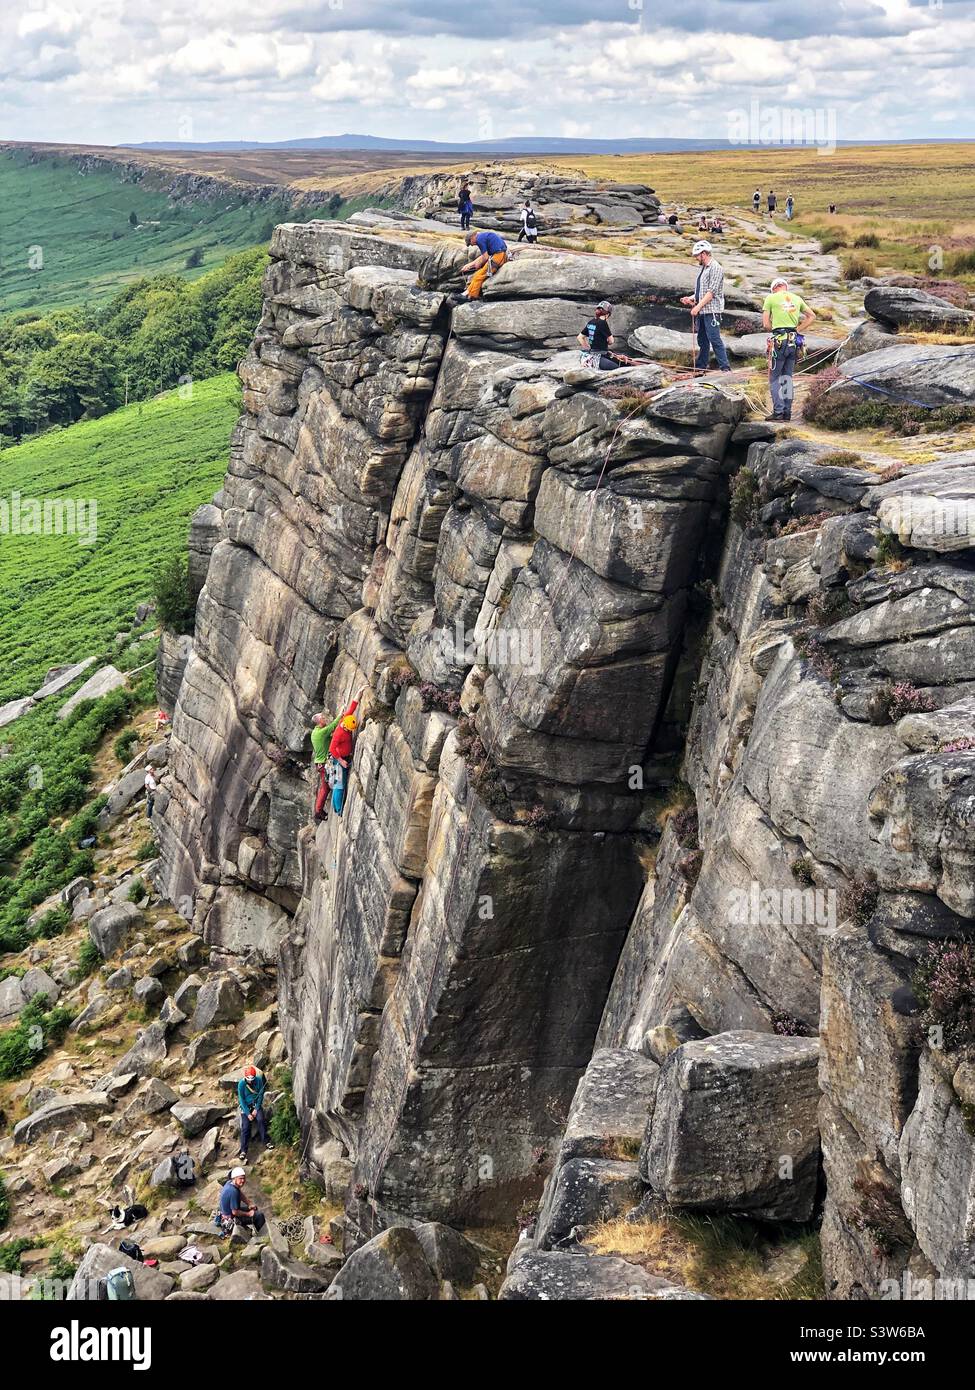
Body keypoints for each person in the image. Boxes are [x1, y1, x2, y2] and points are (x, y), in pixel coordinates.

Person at [762, 276, 816, 422]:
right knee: (787, 377)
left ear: (774, 289)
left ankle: (778, 412)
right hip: (794, 343)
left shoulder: (770, 298)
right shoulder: (796, 298)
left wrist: (775, 327)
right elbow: (811, 316)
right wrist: (797, 329)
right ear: (785, 287)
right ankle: (787, 413)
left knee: (774, 378)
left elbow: (766, 324)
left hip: (779, 343)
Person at [681, 240, 731, 373]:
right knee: (702, 340)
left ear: (704, 254)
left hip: (712, 311)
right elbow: (702, 290)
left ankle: (725, 368)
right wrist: (691, 298)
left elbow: (711, 292)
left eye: (697, 255)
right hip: (703, 311)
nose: (696, 258)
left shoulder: (716, 268)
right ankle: (701, 367)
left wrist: (697, 307)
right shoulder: (703, 268)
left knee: (714, 339)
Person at [310, 691, 360, 820]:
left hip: (325, 761)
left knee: (332, 785)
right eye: (323, 718)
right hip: (328, 762)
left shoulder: (315, 732)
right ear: (318, 721)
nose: (325, 718)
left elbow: (350, 711)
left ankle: (326, 808)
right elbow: (333, 729)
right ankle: (325, 810)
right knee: (332, 786)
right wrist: (340, 715)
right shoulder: (325, 733)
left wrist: (358, 695)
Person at [327, 704, 359, 816]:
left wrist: (358, 695)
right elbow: (331, 749)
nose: (351, 731)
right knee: (339, 785)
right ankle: (338, 809)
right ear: (345, 726)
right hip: (338, 760)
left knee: (340, 784)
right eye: (350, 730)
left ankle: (337, 806)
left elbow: (351, 708)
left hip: (344, 758)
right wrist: (341, 761)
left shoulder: (346, 719)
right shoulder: (338, 734)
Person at [459, 228, 508, 300]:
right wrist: (471, 265)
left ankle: (472, 296)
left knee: (478, 276)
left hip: (498, 257)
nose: (472, 245)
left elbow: (485, 257)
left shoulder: (479, 240)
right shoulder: (483, 236)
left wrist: (478, 264)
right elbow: (484, 256)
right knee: (477, 275)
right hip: (501, 255)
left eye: (470, 243)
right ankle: (466, 293)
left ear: (472, 237)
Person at [216, 1167, 266, 1236]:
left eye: (244, 1178)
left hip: (228, 1212)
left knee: (254, 1208)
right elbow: (235, 1212)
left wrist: (249, 1204)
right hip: (231, 1217)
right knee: (259, 1216)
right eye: (240, 1178)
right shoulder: (233, 1191)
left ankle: (256, 1229)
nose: (243, 1181)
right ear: (234, 1178)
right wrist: (249, 1214)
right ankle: (262, 1235)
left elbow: (239, 1193)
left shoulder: (230, 1183)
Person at [237, 1064, 273, 1161]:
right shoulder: (241, 1084)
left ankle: (266, 1141)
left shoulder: (258, 1080)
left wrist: (256, 1109)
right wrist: (248, 1113)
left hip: (255, 1105)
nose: (250, 1080)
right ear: (245, 1077)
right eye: (248, 1078)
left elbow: (260, 1095)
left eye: (252, 1078)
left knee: (261, 1120)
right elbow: (241, 1100)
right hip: (246, 1108)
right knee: (245, 1127)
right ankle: (243, 1150)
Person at [577, 301, 622, 371]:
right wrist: (607, 342)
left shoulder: (591, 322)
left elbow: (580, 337)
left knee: (619, 360)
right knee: (617, 367)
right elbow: (611, 341)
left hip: (594, 354)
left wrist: (588, 348)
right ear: (607, 314)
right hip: (599, 358)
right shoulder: (603, 323)